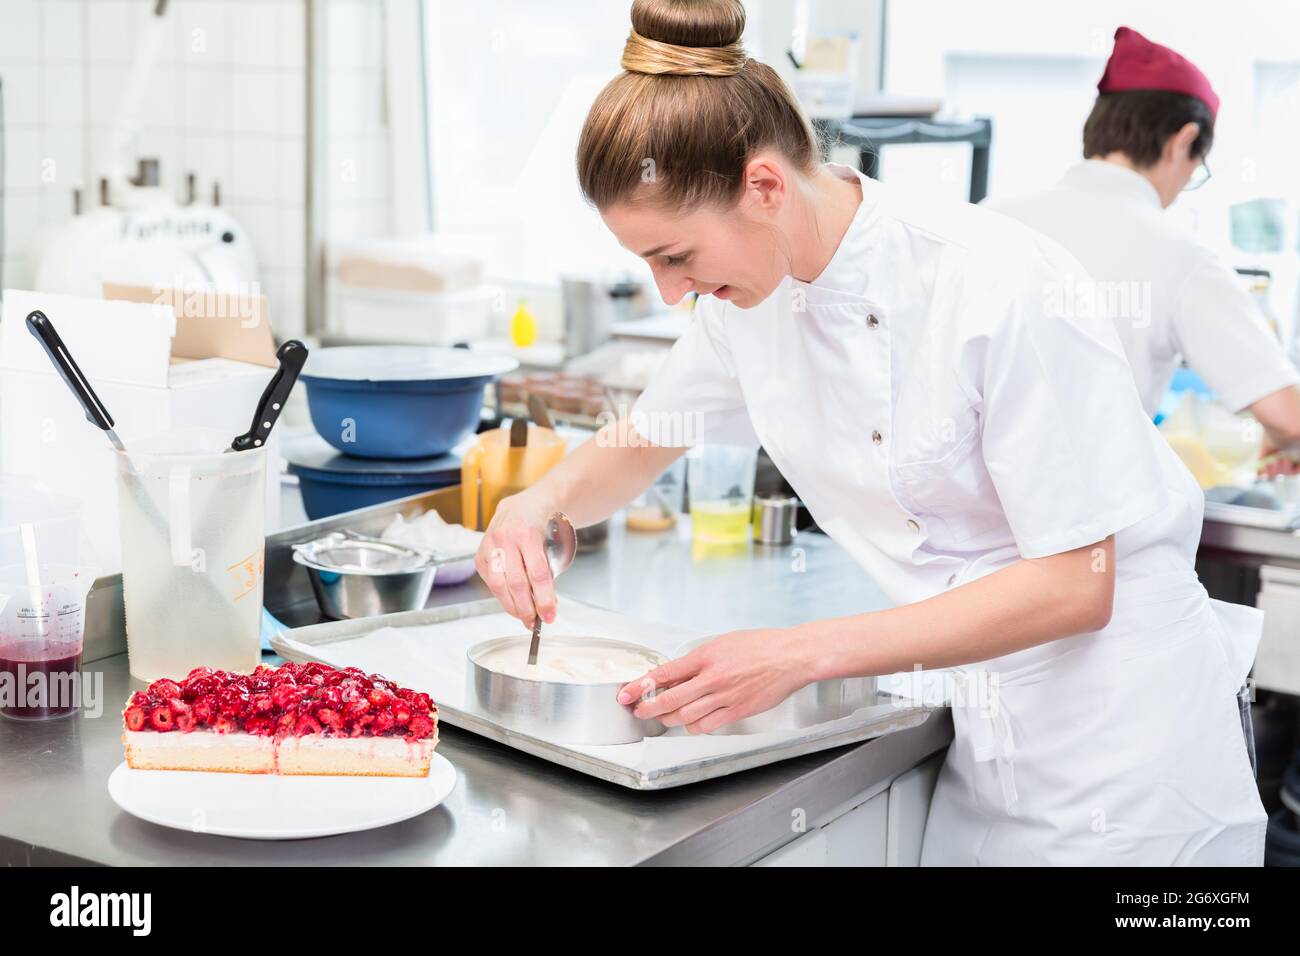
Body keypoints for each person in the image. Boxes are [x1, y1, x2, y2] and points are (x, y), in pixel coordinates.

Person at [474, 0, 1267, 865]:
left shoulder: (995, 281)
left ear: (766, 186)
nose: (670, 293)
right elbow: (645, 438)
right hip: (982, 748)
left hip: (1131, 763)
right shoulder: (748, 303)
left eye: (676, 257)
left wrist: (799, 654)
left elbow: (1079, 583)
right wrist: (537, 501)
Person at [987, 26, 1300, 472]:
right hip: (1101, 529)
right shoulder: (1180, 256)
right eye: (1196, 168)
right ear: (1183, 141)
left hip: (969, 527)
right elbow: (1289, 419)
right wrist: (1284, 439)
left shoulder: (989, 218)